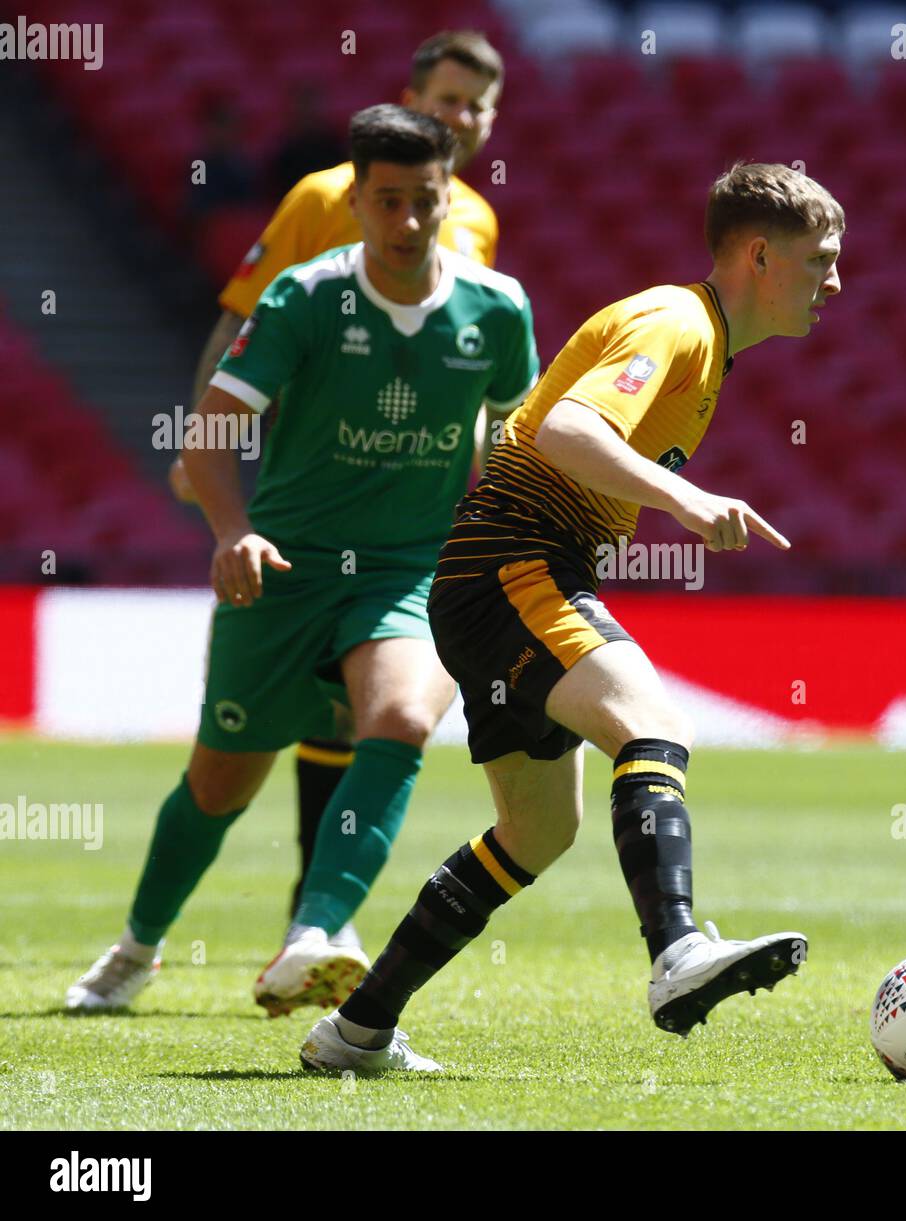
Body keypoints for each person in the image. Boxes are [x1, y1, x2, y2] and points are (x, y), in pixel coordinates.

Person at [298, 162, 843, 1073]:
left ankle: (355, 1030)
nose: (836, 282)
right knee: (655, 724)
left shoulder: (702, 342)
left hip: (505, 572)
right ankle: (675, 953)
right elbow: (566, 432)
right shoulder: (676, 323)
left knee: (538, 832)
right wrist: (686, 498)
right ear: (759, 254)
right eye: (822, 259)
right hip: (514, 562)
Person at [66, 106, 539, 1017]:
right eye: (388, 201)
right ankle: (138, 945)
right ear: (354, 201)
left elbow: (512, 441)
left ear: (452, 199)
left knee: (400, 715)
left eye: (425, 202)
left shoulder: (498, 307)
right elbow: (208, 439)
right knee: (219, 782)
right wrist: (231, 530)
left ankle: (318, 929)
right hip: (281, 564)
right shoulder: (304, 298)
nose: (407, 222)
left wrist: (507, 541)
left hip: (409, 567)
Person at [169, 30, 508, 958]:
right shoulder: (324, 197)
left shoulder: (473, 222)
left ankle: (314, 916)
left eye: (476, 106)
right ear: (411, 94)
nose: (459, 118)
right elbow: (246, 319)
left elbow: (475, 385)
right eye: (445, 99)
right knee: (240, 752)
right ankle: (167, 931)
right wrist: (207, 438)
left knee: (372, 709)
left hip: (408, 513)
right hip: (308, 491)